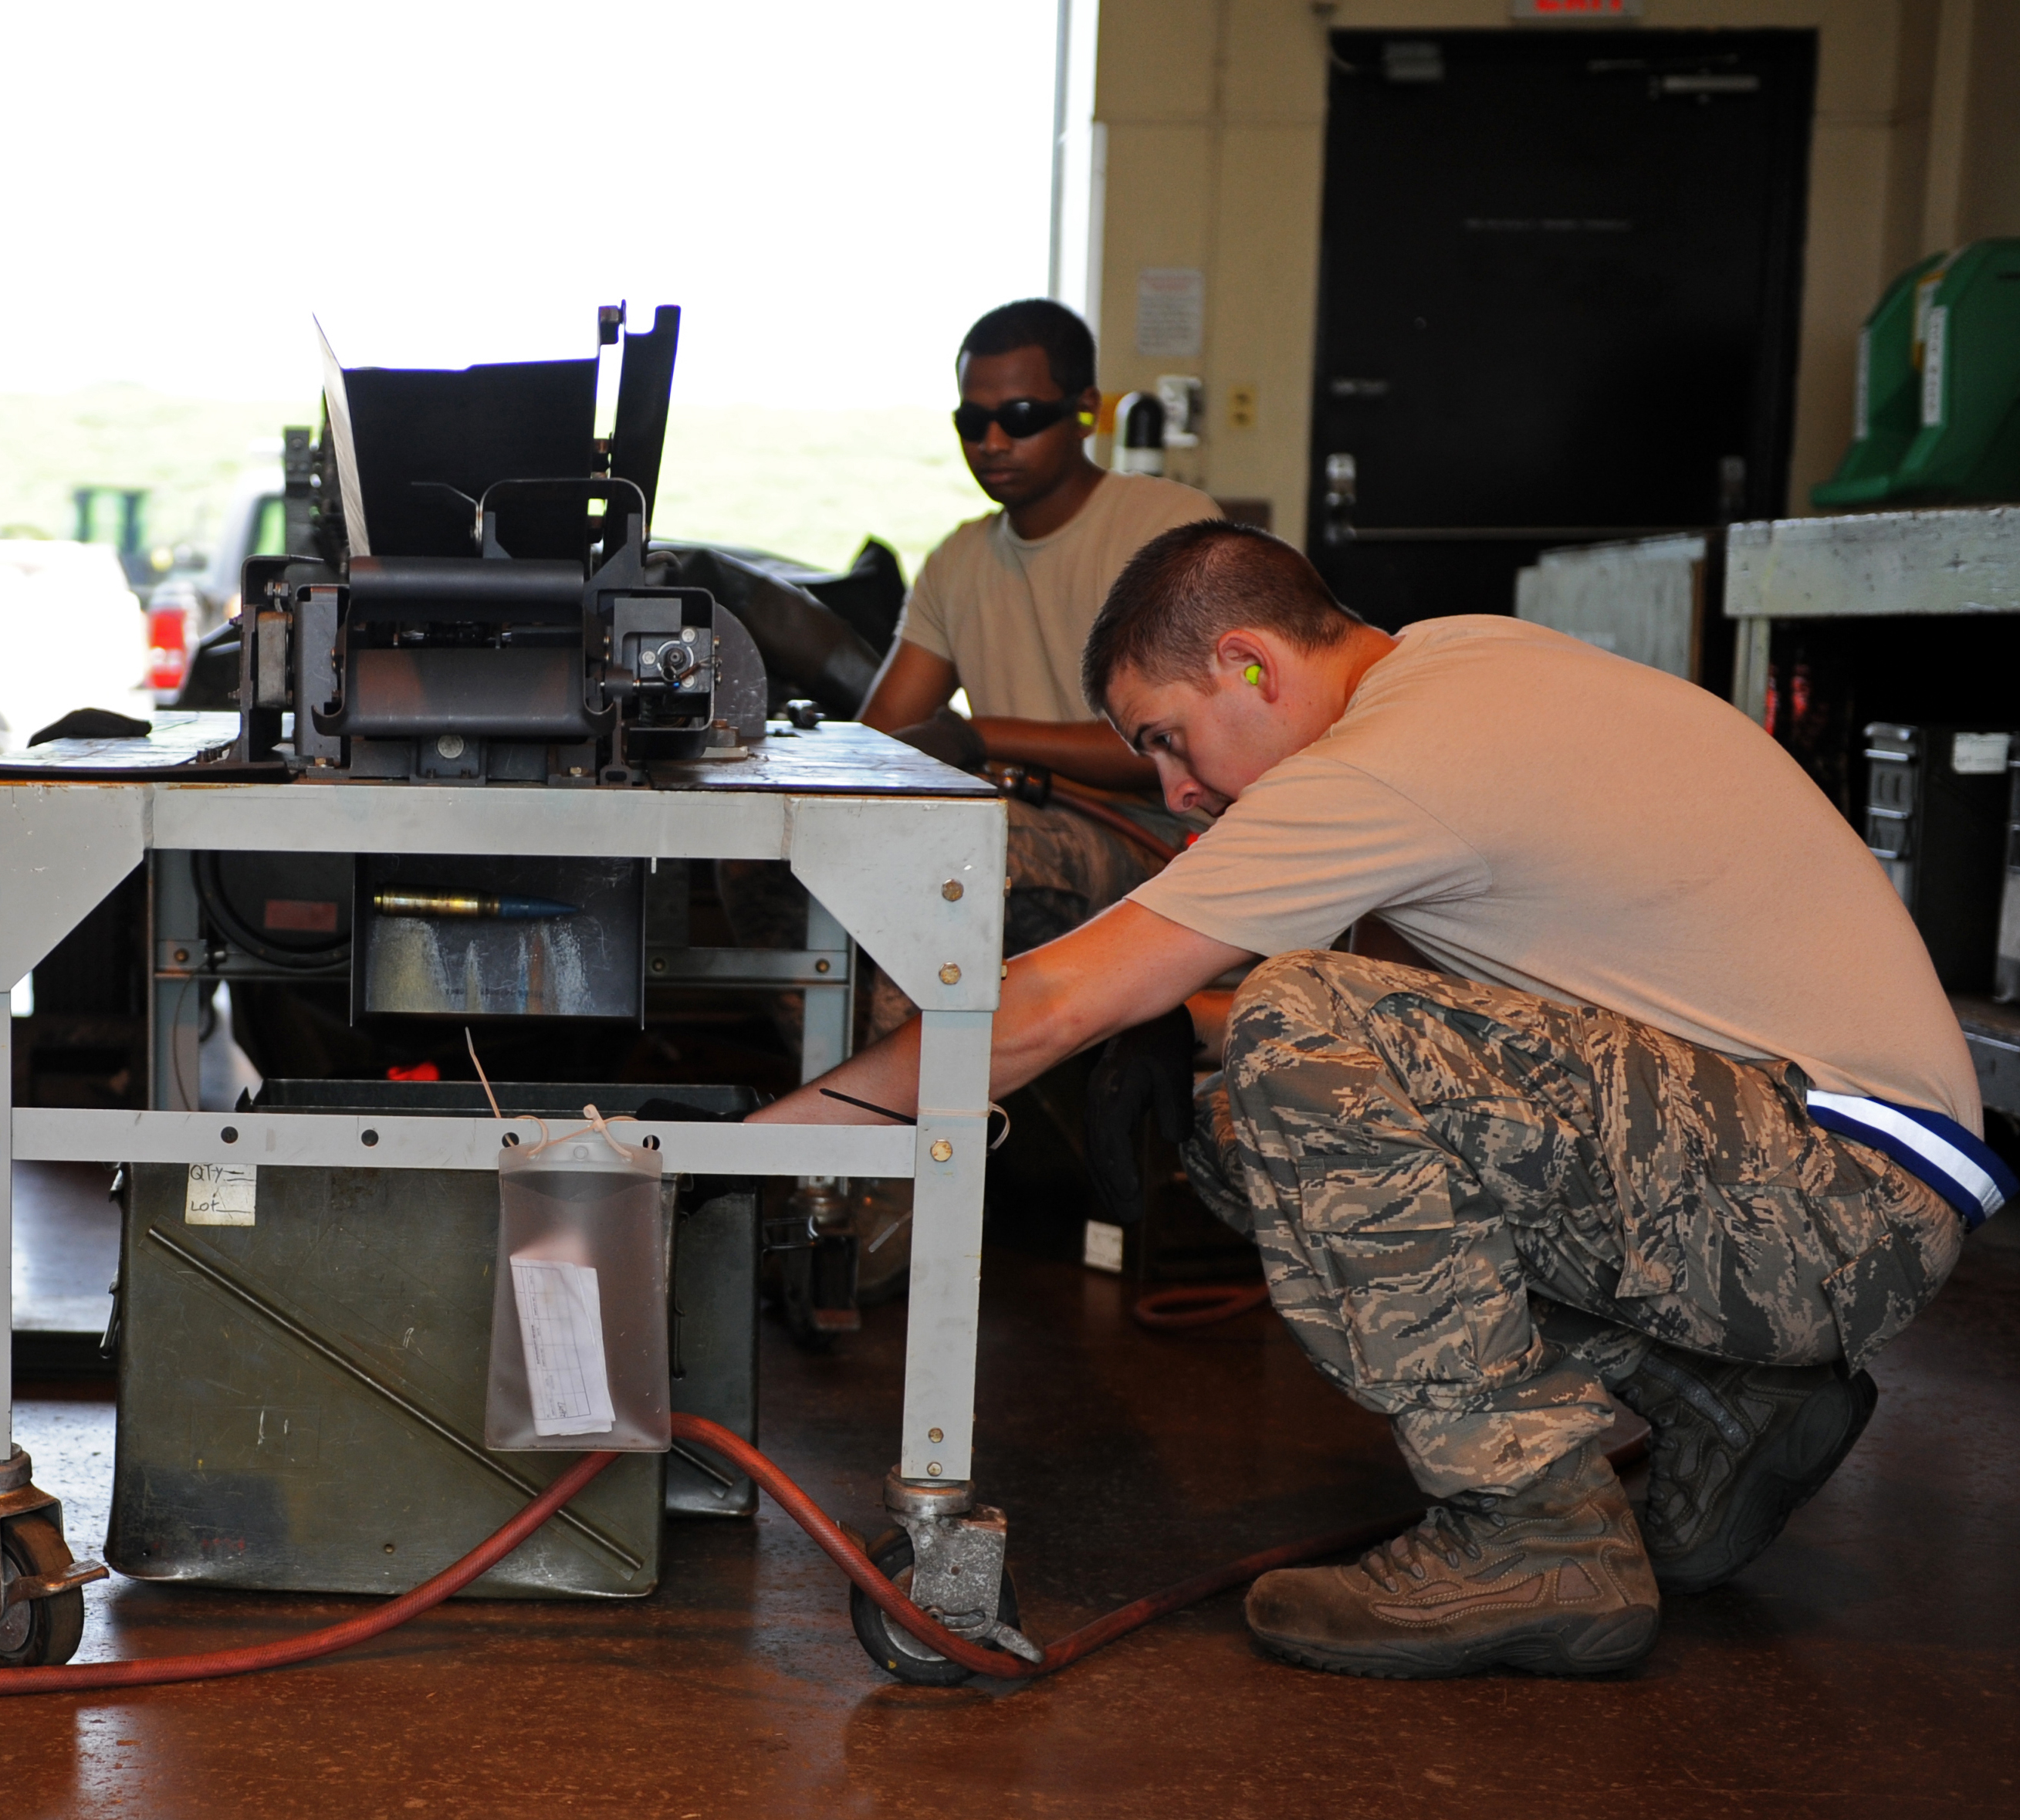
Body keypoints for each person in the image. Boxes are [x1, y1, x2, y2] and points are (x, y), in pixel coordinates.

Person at [762, 520, 1989, 1678]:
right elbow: (1450, 1045)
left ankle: (1528, 1529)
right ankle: (1723, 1399)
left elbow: (1039, 1010)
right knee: (1249, 1115)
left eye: (1163, 736)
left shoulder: (1376, 767)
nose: (1174, 789)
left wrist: (740, 1152)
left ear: (1247, 664)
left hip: (1833, 1195)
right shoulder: (1455, 663)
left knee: (1291, 1024)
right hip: (1824, 1172)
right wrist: (1173, 1024)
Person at [858, 299, 1220, 952]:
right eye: (973, 421)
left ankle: (946, 1053)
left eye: (1020, 418)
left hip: (1157, 841)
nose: (992, 443)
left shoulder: (1167, 530)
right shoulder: (957, 560)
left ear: (1084, 411)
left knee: (950, 857)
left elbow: (1185, 744)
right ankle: (886, 1053)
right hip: (1016, 819)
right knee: (774, 867)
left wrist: (979, 736)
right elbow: (883, 738)